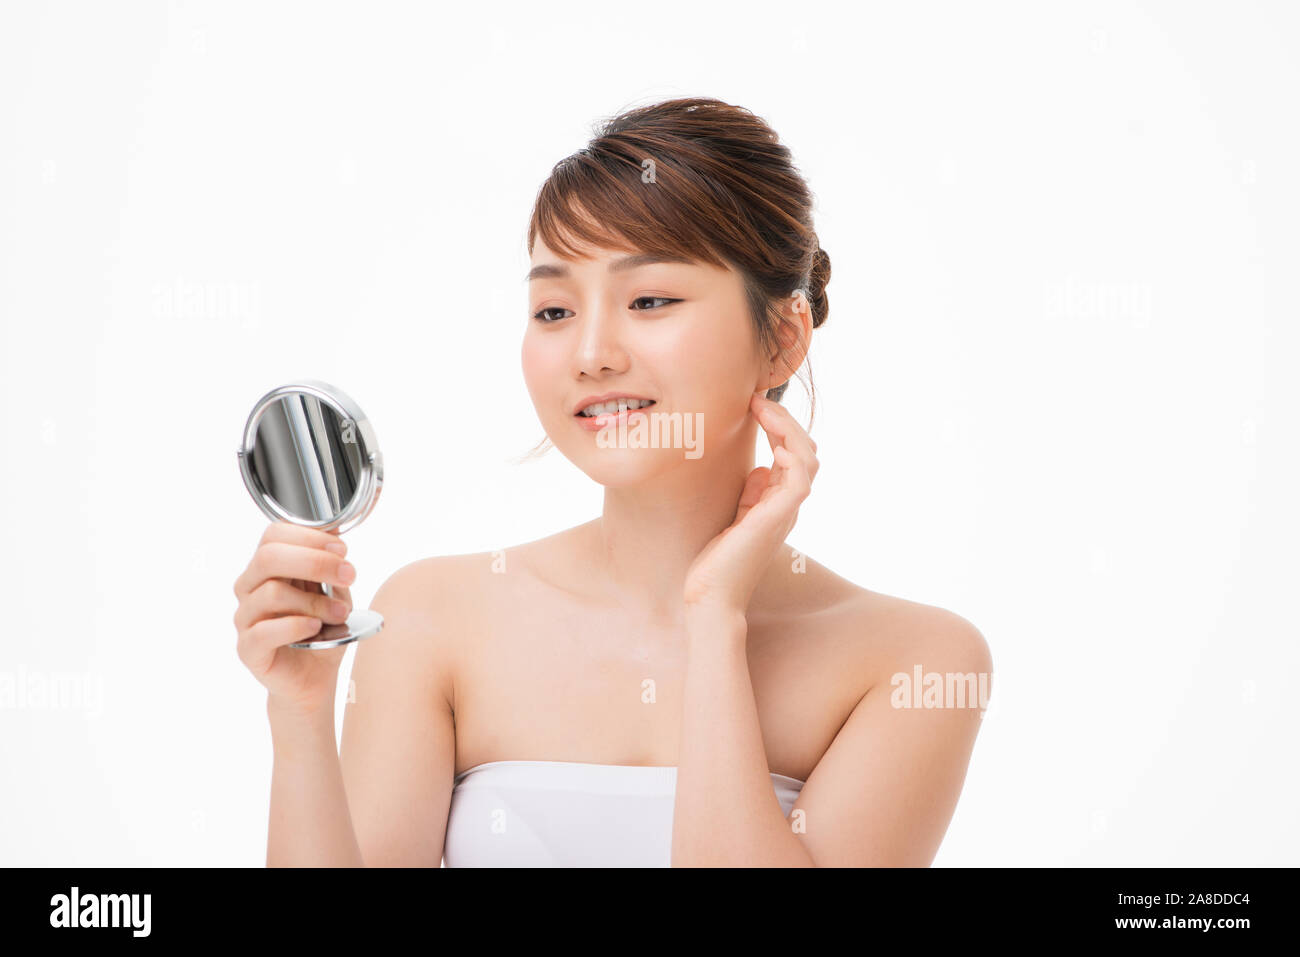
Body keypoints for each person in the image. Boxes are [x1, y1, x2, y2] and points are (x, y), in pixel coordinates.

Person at [231, 96, 993, 867]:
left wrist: (713, 614)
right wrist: (299, 715)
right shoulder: (432, 618)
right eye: (555, 309)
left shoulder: (916, 663)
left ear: (783, 340)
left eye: (650, 300)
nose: (591, 353)